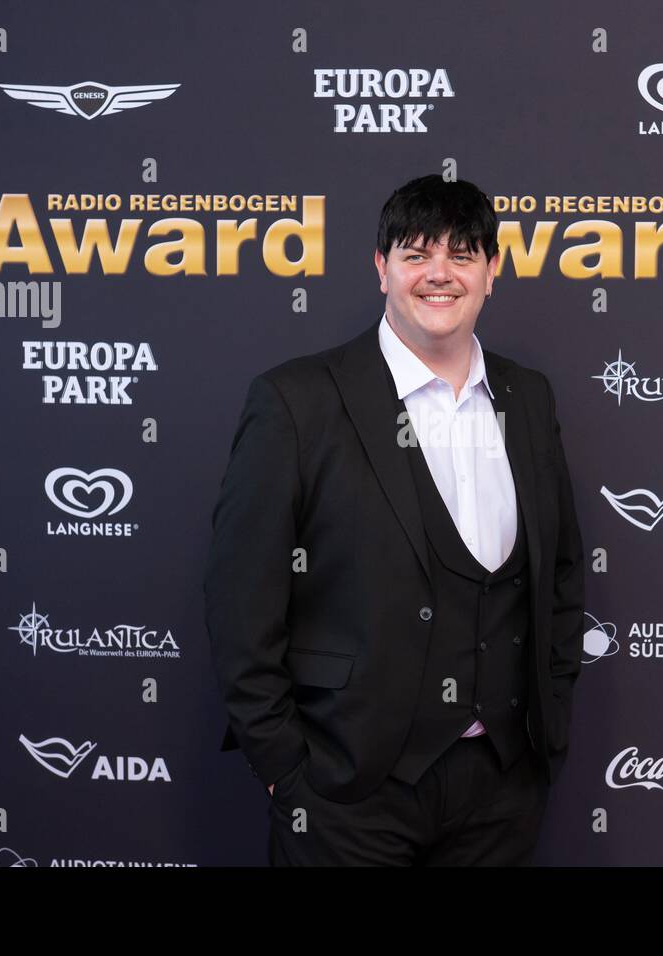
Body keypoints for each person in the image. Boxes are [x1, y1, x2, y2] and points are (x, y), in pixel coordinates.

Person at [203, 173, 585, 865]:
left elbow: (560, 577)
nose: (439, 275)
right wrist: (286, 771)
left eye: (463, 255)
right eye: (416, 254)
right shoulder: (297, 402)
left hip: (501, 794)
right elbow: (240, 602)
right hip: (346, 794)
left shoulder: (527, 398)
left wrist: (544, 728)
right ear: (382, 269)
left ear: (492, 273)